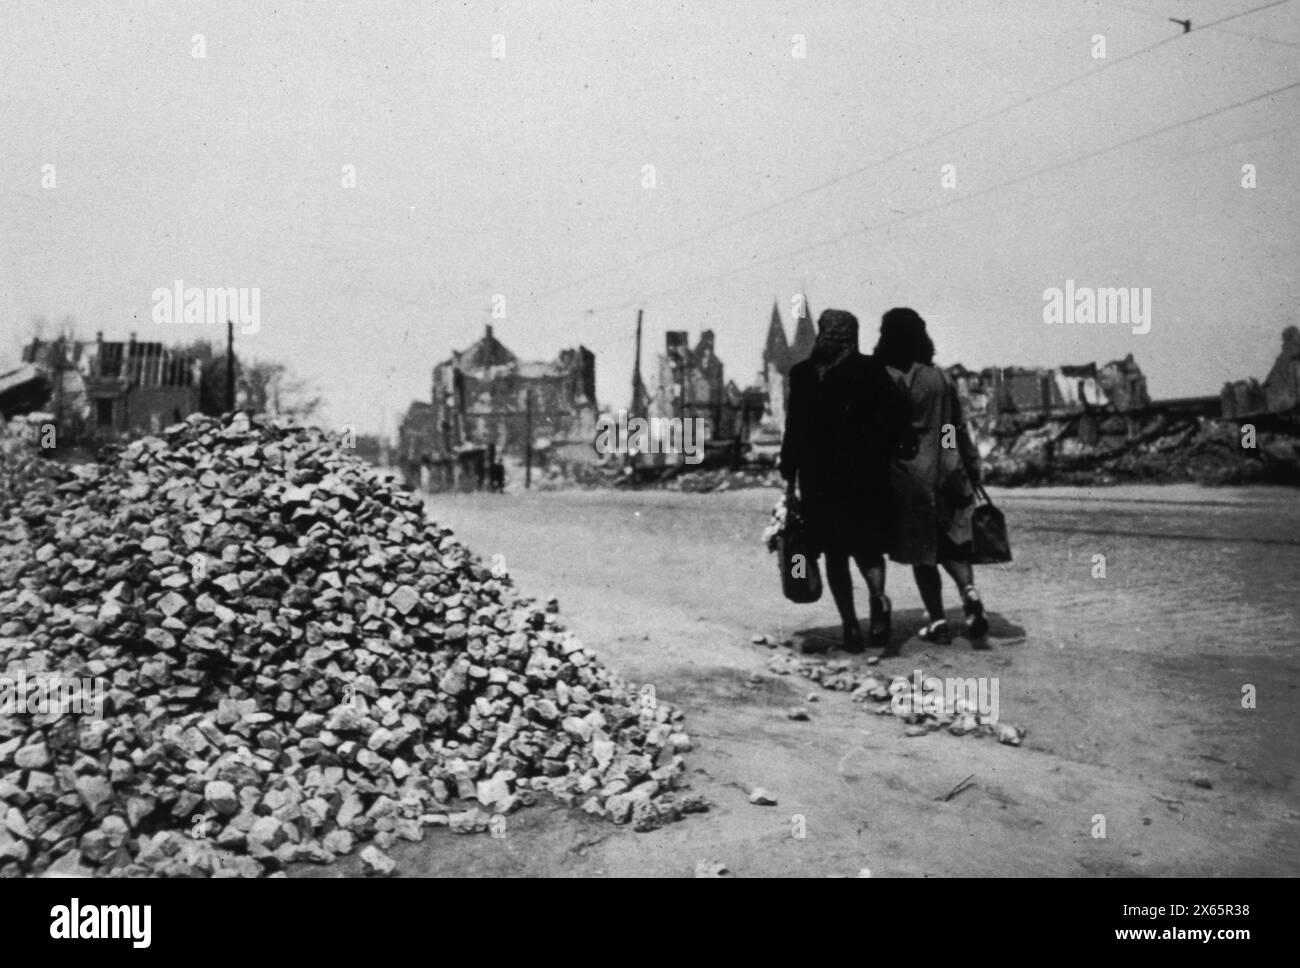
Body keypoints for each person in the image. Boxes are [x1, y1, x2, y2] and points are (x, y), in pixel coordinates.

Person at [780, 309, 911, 653]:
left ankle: (851, 627)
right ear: (853, 335)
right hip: (864, 477)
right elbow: (897, 421)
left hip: (818, 480)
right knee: (868, 548)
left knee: (835, 555)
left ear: (823, 334)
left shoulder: (802, 374)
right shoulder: (872, 371)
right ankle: (879, 598)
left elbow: (793, 429)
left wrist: (788, 473)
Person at [874, 308, 989, 646]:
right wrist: (963, 460)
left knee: (922, 552)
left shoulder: (893, 376)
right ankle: (969, 592)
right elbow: (954, 427)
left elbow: (889, 432)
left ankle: (938, 620)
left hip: (911, 474)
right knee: (953, 542)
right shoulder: (941, 377)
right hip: (949, 468)